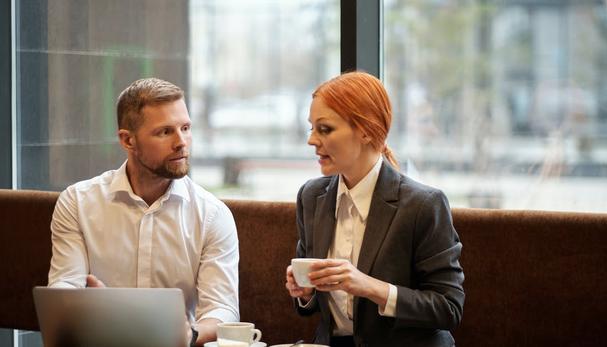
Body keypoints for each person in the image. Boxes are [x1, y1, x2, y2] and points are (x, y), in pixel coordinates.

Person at [48, 78, 239, 346]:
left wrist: (190, 333)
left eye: (185, 128)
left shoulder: (212, 215)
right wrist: (88, 307)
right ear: (128, 140)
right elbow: (63, 289)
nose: (181, 142)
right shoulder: (77, 202)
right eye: (165, 132)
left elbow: (223, 310)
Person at [284, 71, 464, 347]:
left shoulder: (423, 205)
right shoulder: (312, 197)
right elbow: (315, 309)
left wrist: (369, 287)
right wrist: (306, 293)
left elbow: (448, 308)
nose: (312, 140)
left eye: (325, 129)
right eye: (311, 128)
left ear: (366, 131)